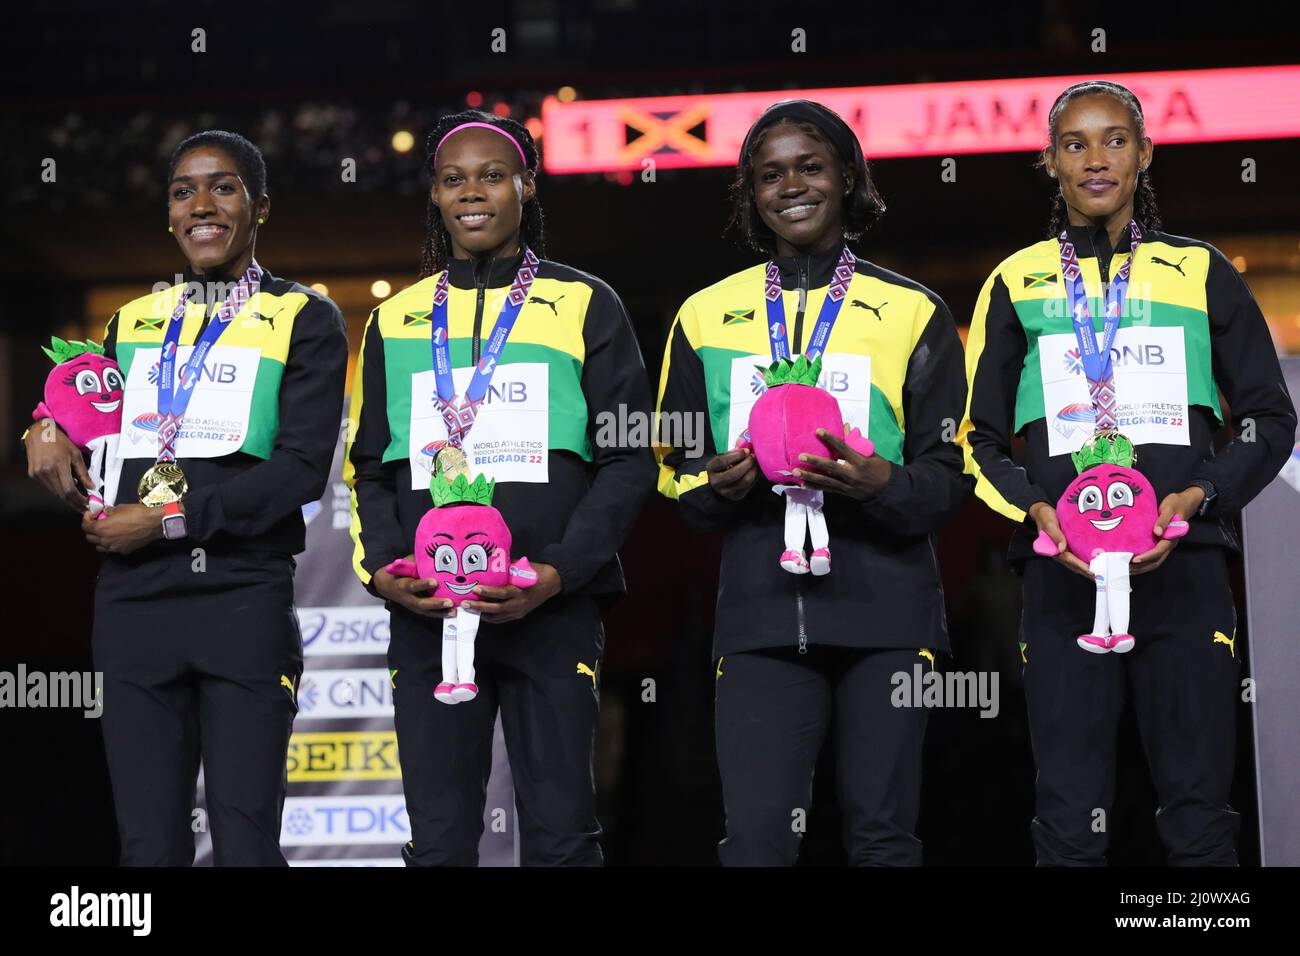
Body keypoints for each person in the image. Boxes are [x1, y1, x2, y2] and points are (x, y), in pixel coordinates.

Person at [958, 80, 1296, 865]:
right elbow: (979, 439)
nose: (1096, 158)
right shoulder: (1016, 280)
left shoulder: (1201, 270)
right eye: (1074, 144)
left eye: (1115, 139)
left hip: (1187, 572)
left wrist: (1201, 498)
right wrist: (1033, 510)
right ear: (1050, 163)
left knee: (1200, 815)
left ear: (1145, 154)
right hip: (1061, 576)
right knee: (1069, 823)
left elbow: (1271, 420)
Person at [654, 100, 971, 865]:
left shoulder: (913, 312)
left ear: (848, 177)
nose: (790, 185)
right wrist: (715, 483)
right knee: (758, 843)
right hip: (762, 624)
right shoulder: (704, 315)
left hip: (890, 620)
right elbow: (669, 465)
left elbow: (948, 479)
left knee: (884, 841)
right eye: (769, 174)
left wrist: (877, 482)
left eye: (810, 166)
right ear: (750, 194)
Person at [23, 130, 349, 865]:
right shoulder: (133, 319)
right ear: (168, 214)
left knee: (244, 842)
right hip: (132, 602)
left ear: (259, 206)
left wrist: (167, 520)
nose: (201, 204)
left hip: (241, 594)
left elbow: (298, 471)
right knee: (147, 848)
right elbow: (80, 409)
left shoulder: (306, 318)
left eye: (223, 187)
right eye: (182, 191)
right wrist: (41, 427)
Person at [344, 110, 653, 866]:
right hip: (429, 615)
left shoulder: (587, 303)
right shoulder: (395, 318)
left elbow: (629, 460)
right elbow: (373, 467)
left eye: (491, 175)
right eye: (453, 179)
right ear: (436, 197)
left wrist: (558, 573)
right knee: (441, 841)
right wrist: (387, 570)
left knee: (561, 836)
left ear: (526, 186)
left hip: (551, 609)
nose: (471, 192)